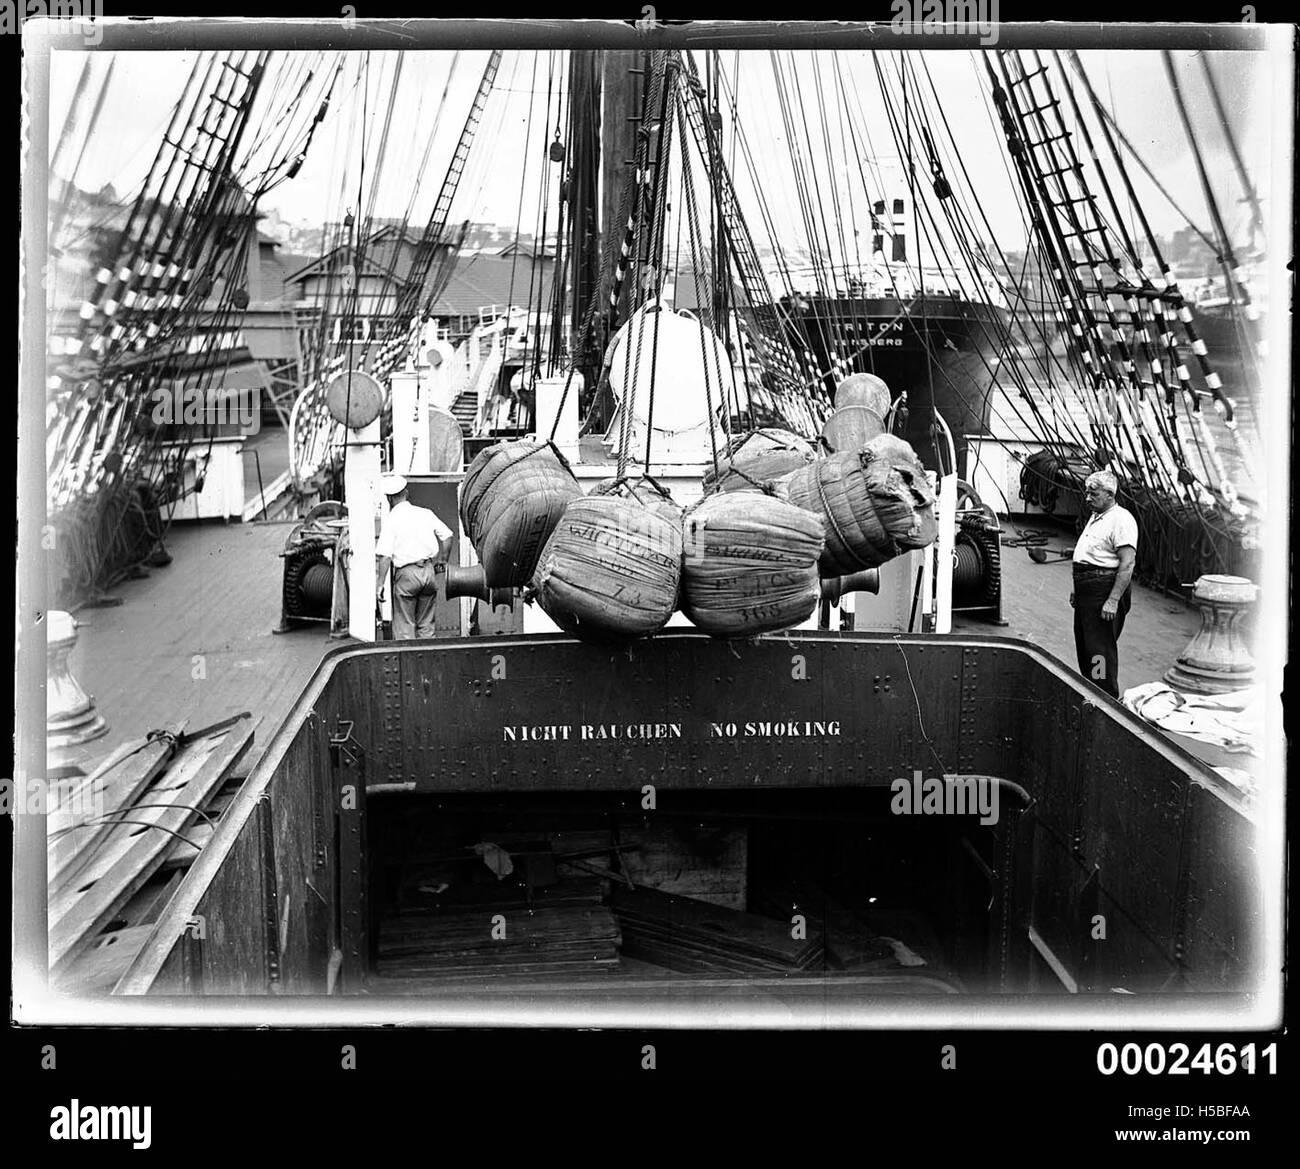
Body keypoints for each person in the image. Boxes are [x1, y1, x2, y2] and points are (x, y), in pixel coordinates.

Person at [1070, 470, 1138, 698]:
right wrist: (1077, 589)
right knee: (1086, 644)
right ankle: (1091, 688)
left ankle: (1104, 696)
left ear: (1110, 494)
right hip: (1087, 590)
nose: (1088, 498)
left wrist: (1112, 600)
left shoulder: (1121, 520)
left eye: (1094, 494)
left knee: (1098, 649)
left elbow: (1127, 564)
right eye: (1087, 493)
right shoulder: (1097, 516)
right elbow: (1090, 554)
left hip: (1103, 591)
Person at [375, 473, 453, 640]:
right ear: (407, 493)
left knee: (405, 627)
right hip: (428, 572)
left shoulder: (391, 520)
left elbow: (385, 557)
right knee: (427, 627)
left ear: (389, 499)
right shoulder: (425, 513)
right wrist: (443, 562)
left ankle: (410, 665)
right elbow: (447, 536)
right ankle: (428, 662)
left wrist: (380, 585)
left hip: (407, 576)